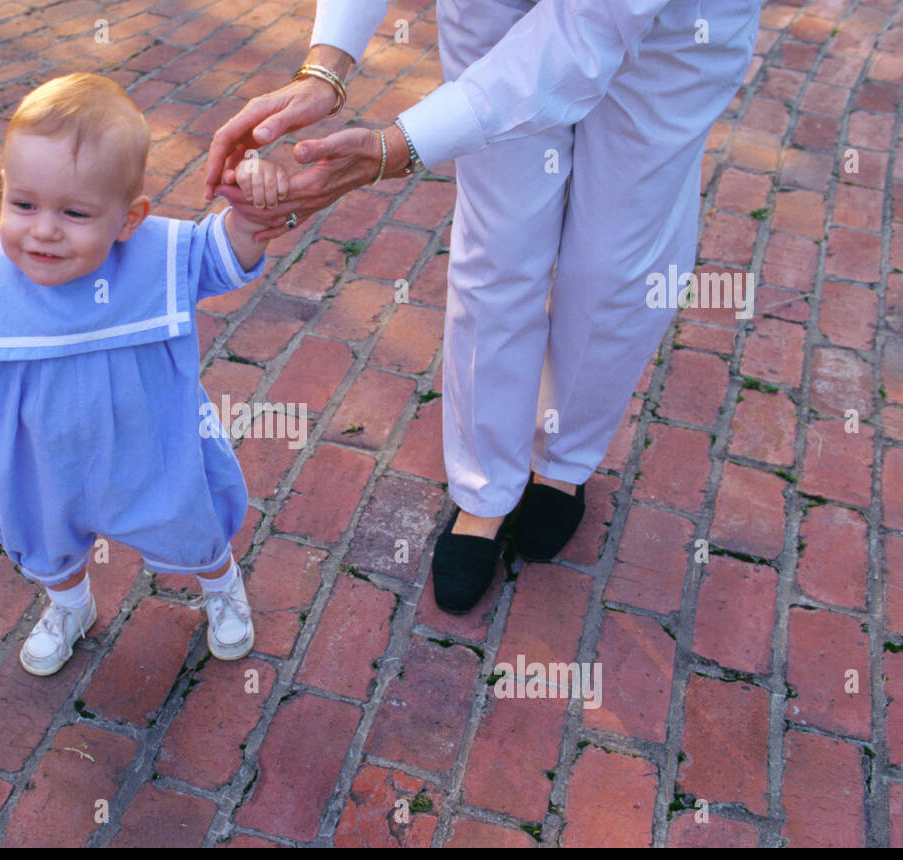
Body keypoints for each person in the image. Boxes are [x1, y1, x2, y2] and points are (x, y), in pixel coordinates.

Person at [206, 0, 760, 612]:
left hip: (676, 23)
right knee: (500, 239)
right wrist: (325, 67)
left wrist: (399, 147)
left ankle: (563, 458)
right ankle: (484, 488)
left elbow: (584, 32)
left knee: (617, 255)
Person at [0, 73, 290, 675]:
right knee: (43, 529)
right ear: (4, 191)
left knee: (186, 516)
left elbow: (228, 255)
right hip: (35, 456)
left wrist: (249, 214)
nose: (43, 229)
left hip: (149, 446)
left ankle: (220, 585)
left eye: (75, 212)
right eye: (24, 204)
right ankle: (70, 604)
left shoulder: (156, 257)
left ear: (128, 218)